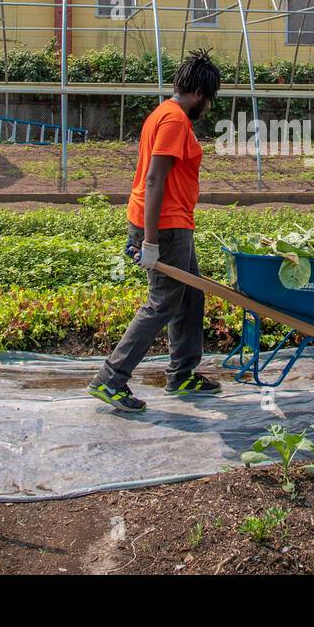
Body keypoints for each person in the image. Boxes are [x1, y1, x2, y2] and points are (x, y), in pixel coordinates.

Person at [86, 49, 224, 412]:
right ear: (198, 93)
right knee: (162, 304)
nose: (207, 108)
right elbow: (154, 178)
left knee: (191, 296)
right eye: (207, 100)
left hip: (174, 223)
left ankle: (183, 374)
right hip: (165, 227)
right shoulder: (176, 120)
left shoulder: (162, 113)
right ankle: (111, 379)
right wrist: (149, 241)